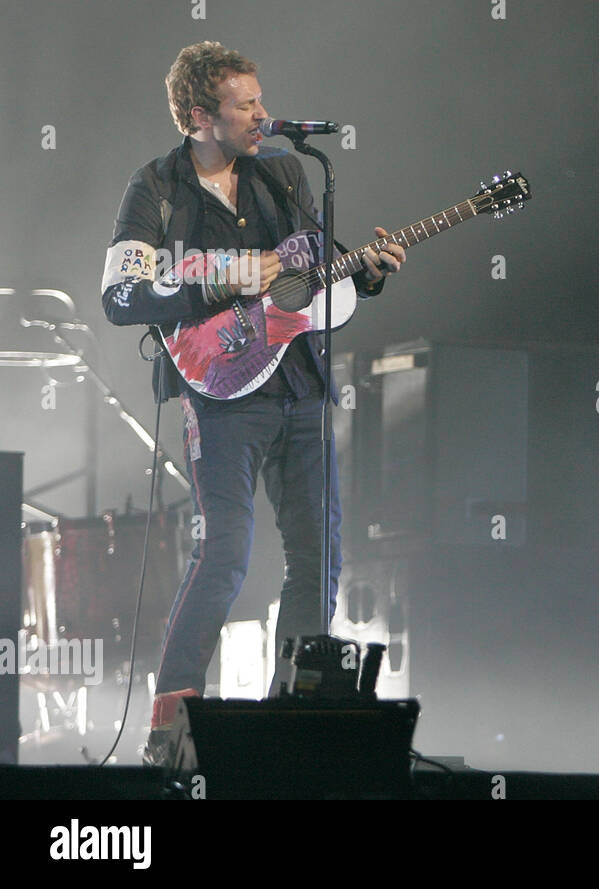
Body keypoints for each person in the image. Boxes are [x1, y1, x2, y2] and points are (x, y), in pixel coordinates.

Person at [100, 42, 407, 762]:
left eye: (261, 101)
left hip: (299, 384)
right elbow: (119, 298)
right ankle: (171, 728)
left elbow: (311, 280)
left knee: (318, 557)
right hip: (217, 396)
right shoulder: (156, 188)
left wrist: (366, 274)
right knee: (226, 553)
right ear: (201, 116)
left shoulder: (284, 174)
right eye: (246, 105)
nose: (263, 114)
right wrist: (225, 278)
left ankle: (288, 725)